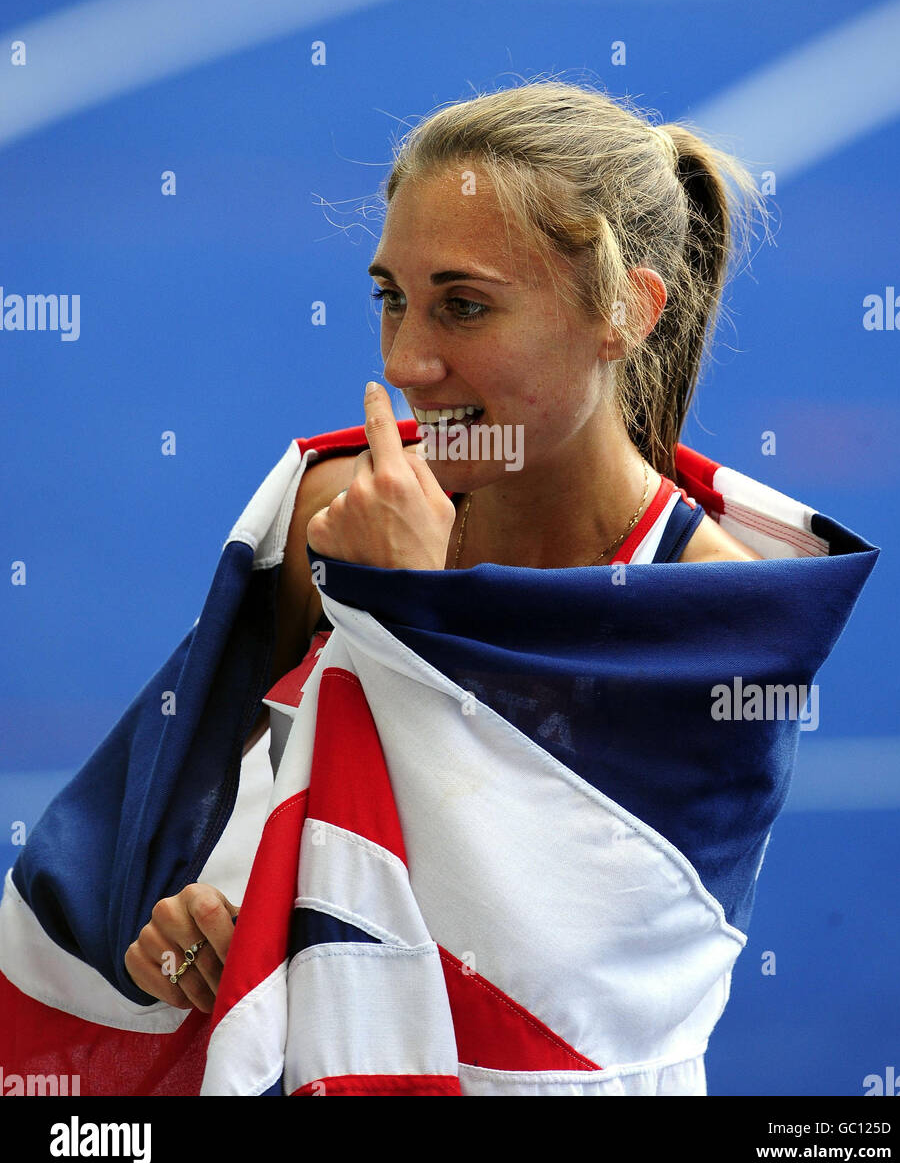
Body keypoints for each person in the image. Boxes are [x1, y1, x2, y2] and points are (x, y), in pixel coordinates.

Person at [125, 80, 770, 1019]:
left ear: (625, 312)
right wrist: (207, 934)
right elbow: (178, 828)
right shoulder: (331, 513)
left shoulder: (719, 620)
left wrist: (410, 617)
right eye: (392, 298)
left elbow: (554, 979)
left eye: (463, 306)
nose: (405, 363)